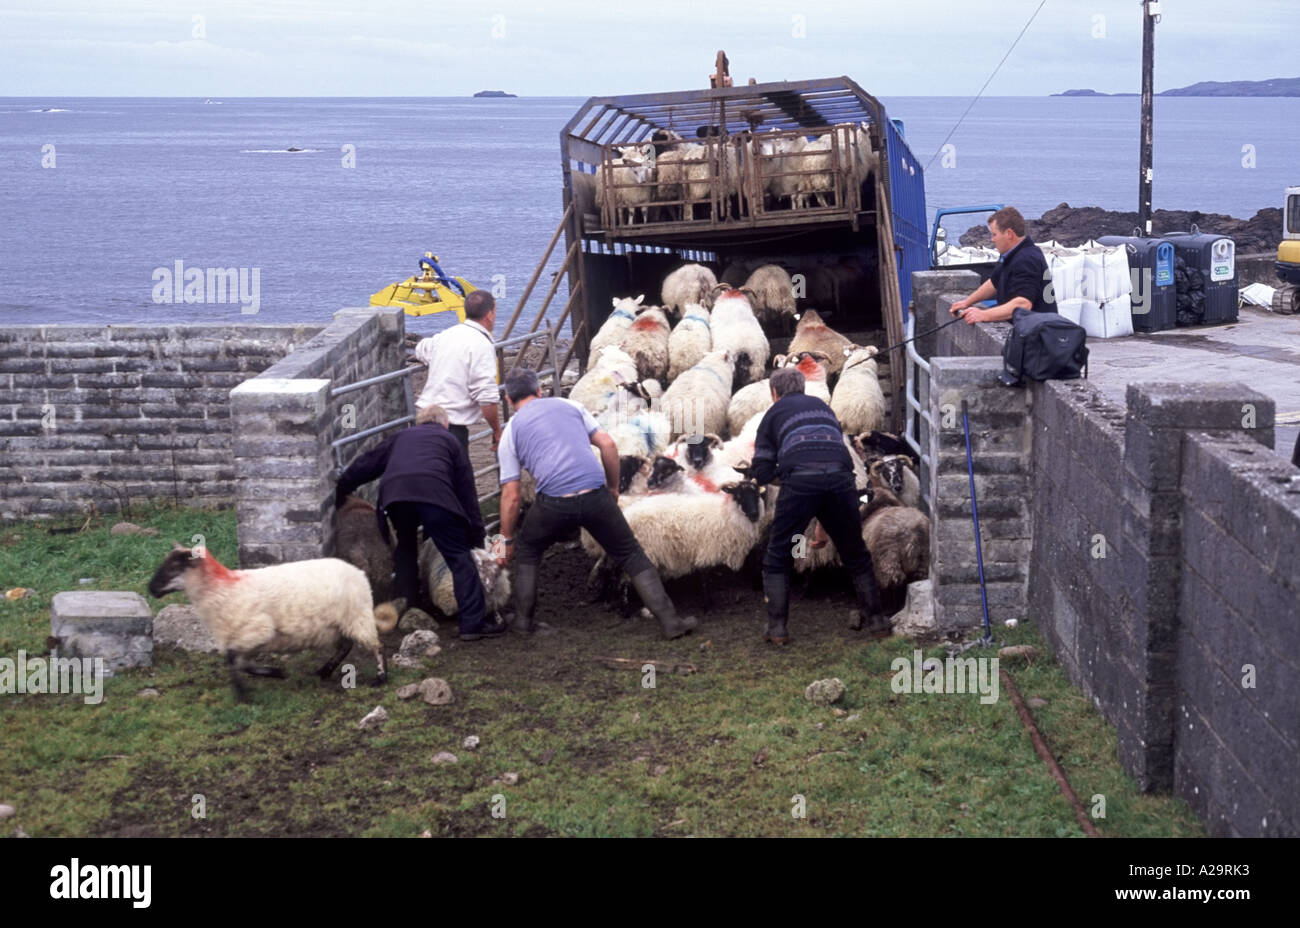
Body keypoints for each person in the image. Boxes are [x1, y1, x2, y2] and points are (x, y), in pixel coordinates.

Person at [494, 368, 697, 640]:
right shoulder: (571, 406)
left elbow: (512, 494)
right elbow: (608, 444)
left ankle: (523, 623)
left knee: (528, 550)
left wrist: (506, 538)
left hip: (554, 502)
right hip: (594, 495)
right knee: (631, 553)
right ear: (540, 391)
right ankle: (671, 622)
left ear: (508, 400)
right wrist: (612, 488)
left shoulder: (511, 432)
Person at [335, 404, 507, 641]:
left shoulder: (401, 437)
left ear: (420, 423)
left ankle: (407, 606)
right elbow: (466, 489)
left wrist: (342, 489)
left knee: (405, 548)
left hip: (396, 498)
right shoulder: (450, 441)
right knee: (458, 557)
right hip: (434, 496)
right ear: (445, 423)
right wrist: (476, 534)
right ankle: (472, 624)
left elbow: (368, 463)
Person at [749, 366, 888, 644]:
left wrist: (790, 477)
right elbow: (829, 459)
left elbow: (761, 471)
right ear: (802, 388)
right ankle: (877, 620)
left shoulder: (773, 414)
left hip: (799, 482)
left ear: (774, 393)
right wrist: (823, 522)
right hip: (841, 480)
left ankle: (777, 629)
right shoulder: (824, 410)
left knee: (778, 556)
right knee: (856, 552)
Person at [413, 290, 502, 456]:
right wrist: (497, 430)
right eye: (495, 312)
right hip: (451, 427)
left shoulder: (446, 335)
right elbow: (487, 397)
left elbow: (421, 348)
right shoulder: (482, 345)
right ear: (489, 315)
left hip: (423, 420)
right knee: (455, 479)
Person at [950, 206, 1055, 324]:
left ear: (1009, 233)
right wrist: (967, 302)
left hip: (1037, 334)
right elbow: (993, 282)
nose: (992, 239)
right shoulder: (1018, 253)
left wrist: (983, 315)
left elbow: (1023, 304)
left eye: (994, 234)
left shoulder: (1026, 259)